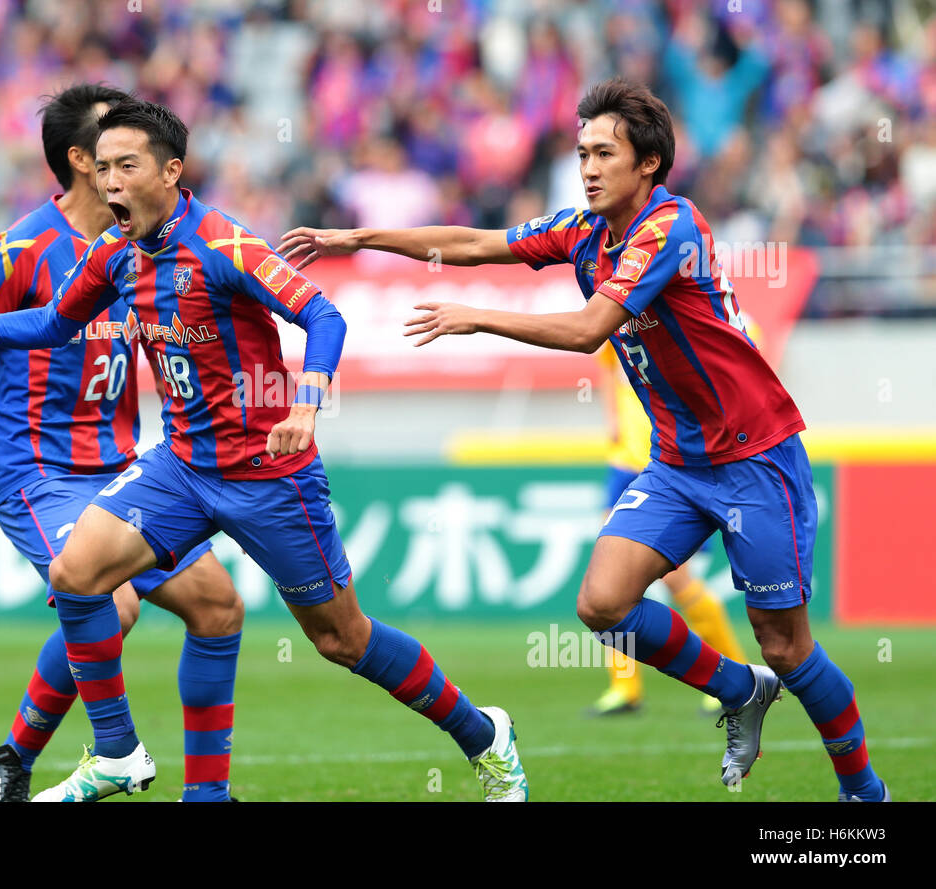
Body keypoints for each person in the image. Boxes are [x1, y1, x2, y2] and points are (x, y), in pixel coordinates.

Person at [0, 98, 528, 802]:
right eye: (102, 168)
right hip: (181, 468)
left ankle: (483, 735)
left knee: (342, 640)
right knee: (78, 574)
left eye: (126, 166)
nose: (111, 182)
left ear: (171, 172)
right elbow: (50, 323)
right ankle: (121, 755)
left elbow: (324, 314)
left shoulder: (227, 247)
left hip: (268, 474)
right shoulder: (114, 253)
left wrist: (306, 403)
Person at [276, 78, 888, 802]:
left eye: (605, 154)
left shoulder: (670, 227)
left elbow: (588, 329)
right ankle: (736, 689)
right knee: (603, 605)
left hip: (756, 458)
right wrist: (357, 238)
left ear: (648, 164)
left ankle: (864, 794)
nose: (589, 168)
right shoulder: (583, 231)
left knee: (786, 646)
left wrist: (479, 317)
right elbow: (474, 243)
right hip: (679, 463)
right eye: (582, 153)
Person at [0, 85, 243, 803]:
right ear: (82, 160)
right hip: (39, 471)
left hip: (124, 470)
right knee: (115, 600)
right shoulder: (21, 250)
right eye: (111, 146)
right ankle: (99, 755)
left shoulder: (143, 245)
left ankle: (201, 794)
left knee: (218, 605)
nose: (128, 154)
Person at [588, 338, 747, 717]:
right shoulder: (614, 315)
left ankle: (734, 673)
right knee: (608, 576)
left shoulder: (709, 319)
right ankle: (625, 688)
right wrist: (612, 422)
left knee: (677, 579)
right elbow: (608, 368)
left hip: (671, 466)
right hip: (625, 464)